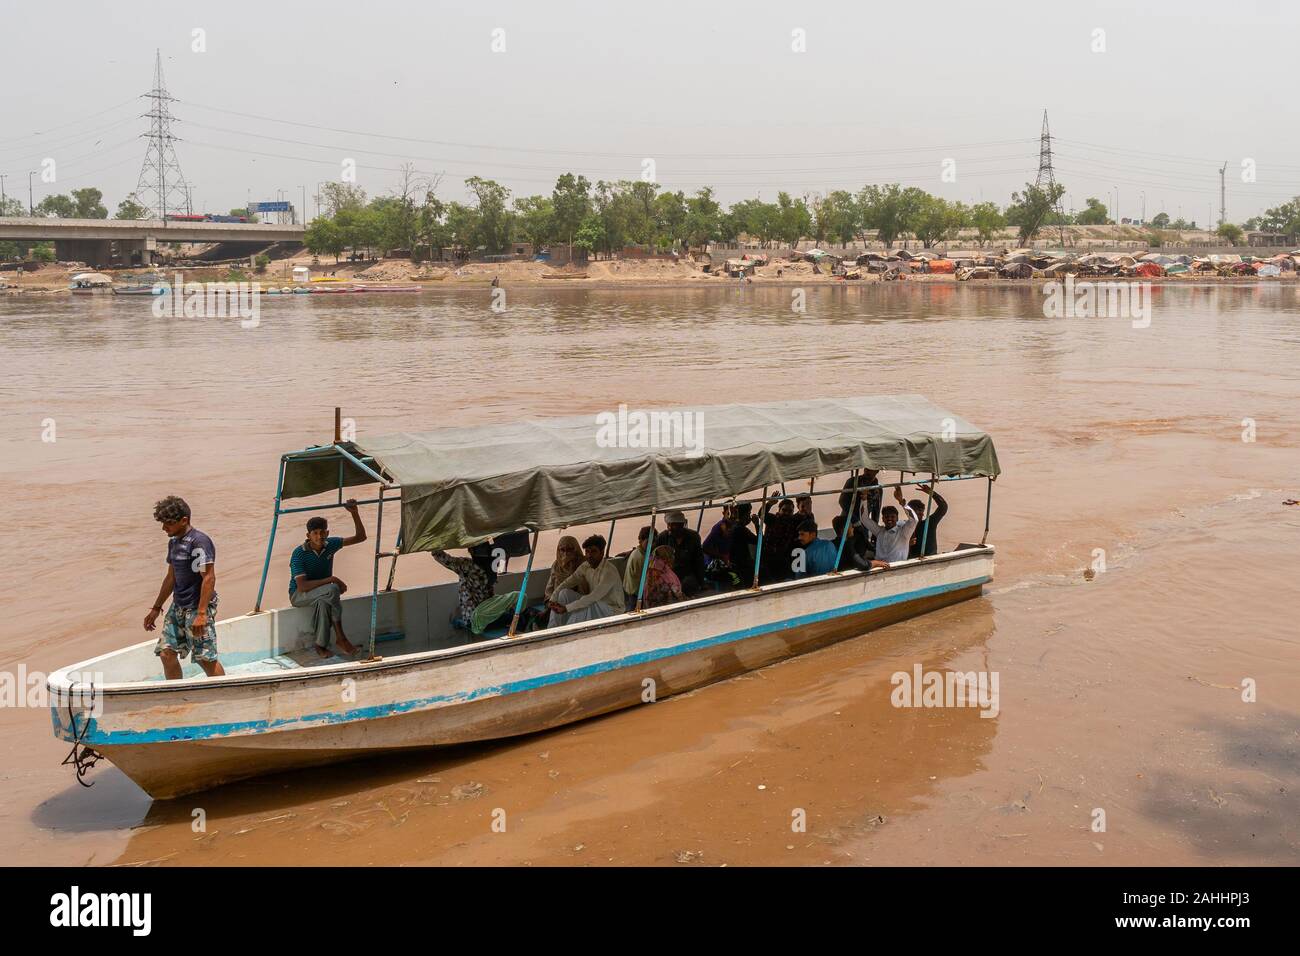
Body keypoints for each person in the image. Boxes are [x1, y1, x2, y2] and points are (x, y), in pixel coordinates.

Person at [144, 496, 226, 679]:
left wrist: (202, 614)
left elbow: (208, 578)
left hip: (198, 607)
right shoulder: (173, 542)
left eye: (168, 524)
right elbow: (171, 577)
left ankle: (227, 694)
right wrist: (156, 608)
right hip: (178, 606)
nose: (164, 528)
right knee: (166, 654)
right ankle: (177, 695)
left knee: (206, 659)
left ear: (184, 520)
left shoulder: (199, 542)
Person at [288, 500, 367, 657]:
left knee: (325, 602)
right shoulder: (299, 553)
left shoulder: (330, 544)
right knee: (332, 588)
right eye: (315, 533)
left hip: (321, 593)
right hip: (298, 595)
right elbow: (302, 586)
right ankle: (341, 638)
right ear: (308, 536)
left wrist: (354, 513)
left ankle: (320, 646)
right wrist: (333, 579)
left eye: (322, 532)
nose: (319, 536)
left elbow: (360, 537)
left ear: (327, 533)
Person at [548, 534, 624, 626]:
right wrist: (553, 598)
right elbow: (569, 581)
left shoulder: (609, 571)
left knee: (587, 604)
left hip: (612, 610)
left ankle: (566, 632)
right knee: (564, 593)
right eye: (587, 552)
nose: (589, 555)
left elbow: (593, 597)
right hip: (595, 603)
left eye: (593, 551)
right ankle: (552, 628)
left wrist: (566, 608)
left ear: (602, 552)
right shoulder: (586, 566)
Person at [433, 544, 498, 629]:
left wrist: (433, 546)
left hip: (473, 618)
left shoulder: (468, 565)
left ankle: (458, 623)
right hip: (488, 615)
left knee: (461, 622)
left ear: (472, 551)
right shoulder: (492, 566)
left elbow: (445, 559)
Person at [857, 486, 918, 565]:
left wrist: (901, 501)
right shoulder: (880, 532)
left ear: (897, 518)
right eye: (886, 517)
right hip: (879, 568)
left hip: (897, 569)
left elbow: (914, 520)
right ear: (882, 519)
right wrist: (864, 499)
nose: (889, 519)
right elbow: (864, 518)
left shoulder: (903, 533)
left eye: (892, 517)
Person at [659, 511, 705, 596]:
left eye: (673, 525)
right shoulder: (663, 537)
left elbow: (699, 561)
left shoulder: (693, 537)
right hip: (669, 576)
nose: (669, 528)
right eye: (668, 525)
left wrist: (701, 582)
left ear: (681, 525)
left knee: (688, 584)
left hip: (687, 575)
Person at [760, 497, 800, 581]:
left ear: (793, 513)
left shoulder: (793, 523)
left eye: (790, 511)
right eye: (784, 510)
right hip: (768, 558)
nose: (786, 513)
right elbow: (761, 514)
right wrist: (770, 503)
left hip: (784, 560)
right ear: (779, 510)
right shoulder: (772, 519)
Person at [908, 484, 949, 558]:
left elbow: (943, 507)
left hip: (929, 560)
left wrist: (932, 493)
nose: (919, 514)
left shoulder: (929, 524)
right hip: (911, 561)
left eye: (921, 511)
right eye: (915, 511)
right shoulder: (905, 527)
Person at [621, 526, 653, 607]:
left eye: (653, 541)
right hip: (635, 593)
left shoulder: (637, 551)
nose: (652, 544)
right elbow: (646, 581)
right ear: (641, 540)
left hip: (629, 589)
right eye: (648, 541)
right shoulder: (641, 558)